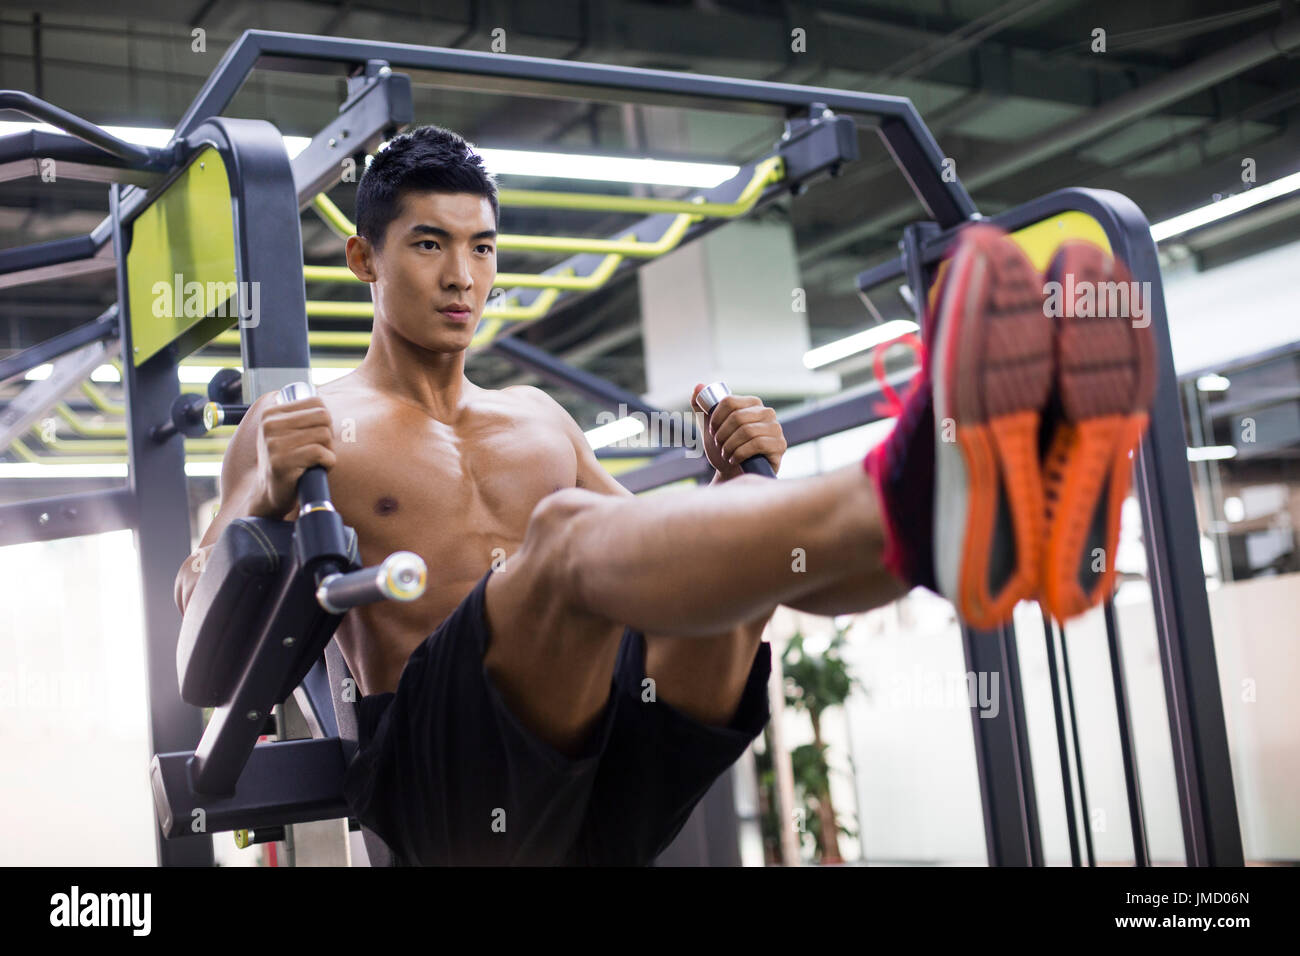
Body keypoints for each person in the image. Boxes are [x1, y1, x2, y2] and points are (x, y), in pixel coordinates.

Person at [174, 125, 1153, 866]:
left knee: (718, 569)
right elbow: (196, 644)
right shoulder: (302, 423)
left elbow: (648, 549)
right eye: (429, 244)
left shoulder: (537, 418)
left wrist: (734, 487)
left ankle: (953, 532)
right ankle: (911, 489)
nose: (462, 275)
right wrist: (256, 490)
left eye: (482, 246)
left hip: (609, 790)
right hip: (450, 795)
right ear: (365, 259)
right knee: (565, 536)